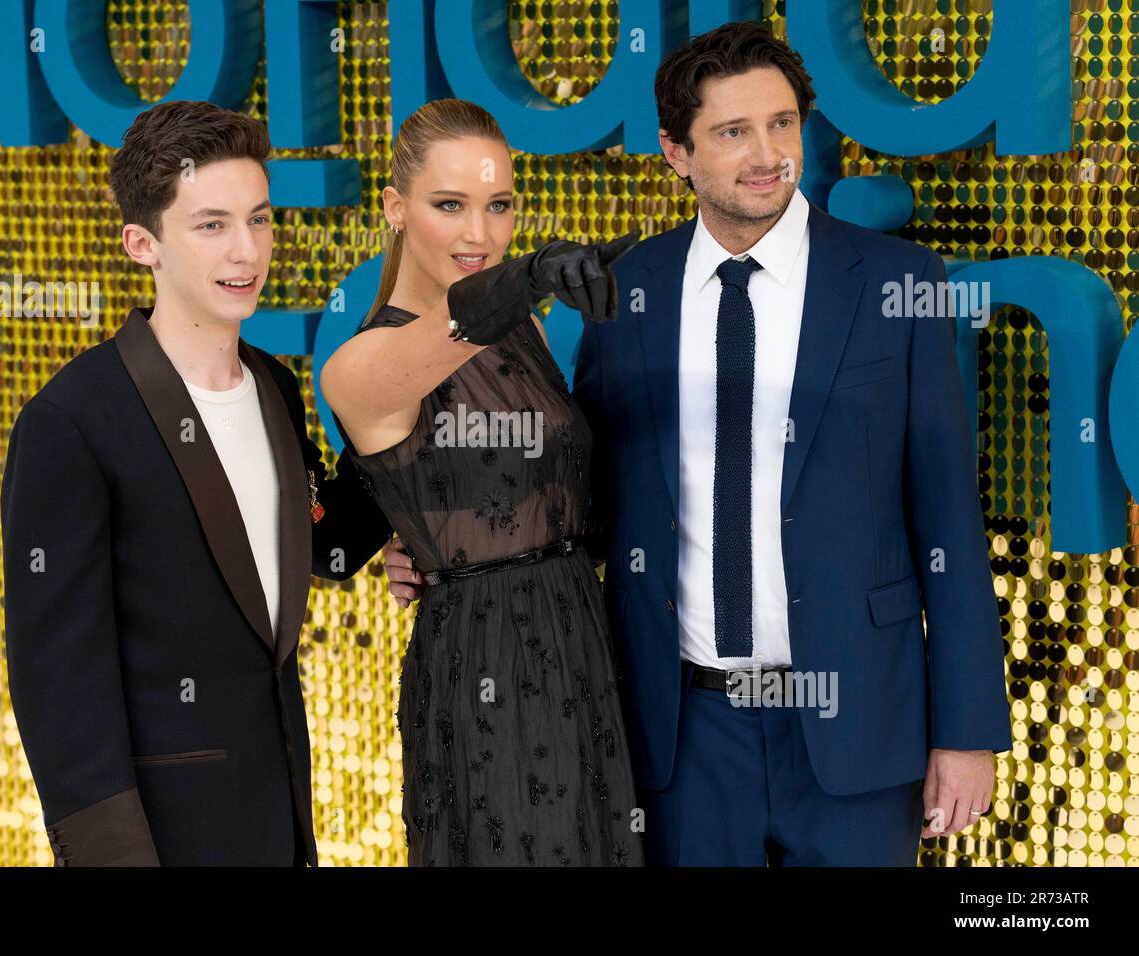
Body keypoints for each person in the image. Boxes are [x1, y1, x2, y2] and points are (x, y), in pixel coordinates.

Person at [387, 23, 1012, 866]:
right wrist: (436, 544)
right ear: (675, 151)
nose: (767, 154)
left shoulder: (897, 282)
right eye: (732, 132)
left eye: (783, 124)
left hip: (860, 722)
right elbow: (586, 491)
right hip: (681, 735)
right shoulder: (626, 289)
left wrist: (968, 731)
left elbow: (947, 514)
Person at [1, 100, 391, 866]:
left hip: (282, 825)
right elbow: (56, 683)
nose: (248, 251)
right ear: (142, 244)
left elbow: (323, 547)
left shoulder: (274, 386)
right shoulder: (72, 421)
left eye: (260, 219)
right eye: (212, 225)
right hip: (164, 838)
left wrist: (407, 437)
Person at [321, 98, 644, 866]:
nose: (480, 234)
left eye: (499, 206)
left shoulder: (524, 331)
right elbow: (455, 330)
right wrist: (528, 274)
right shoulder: (363, 365)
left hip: (583, 642)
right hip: (484, 666)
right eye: (449, 205)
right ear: (396, 208)